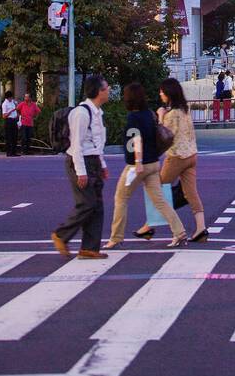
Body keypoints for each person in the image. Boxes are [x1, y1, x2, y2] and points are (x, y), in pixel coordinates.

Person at [104, 82, 184, 248]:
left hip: (137, 165)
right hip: (154, 163)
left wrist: (138, 162)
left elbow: (136, 139)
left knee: (121, 198)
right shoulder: (148, 114)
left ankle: (116, 237)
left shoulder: (133, 118)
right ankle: (179, 232)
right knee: (160, 201)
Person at [51, 74, 110, 260]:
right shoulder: (81, 113)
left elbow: (97, 142)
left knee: (97, 206)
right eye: (106, 88)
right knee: (87, 203)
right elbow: (76, 145)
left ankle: (89, 248)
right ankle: (61, 235)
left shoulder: (98, 113)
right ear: (98, 91)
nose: (108, 91)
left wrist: (102, 164)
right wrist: (81, 172)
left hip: (93, 161)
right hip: (80, 162)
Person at [159, 78, 207, 244]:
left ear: (169, 93)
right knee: (191, 193)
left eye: (162, 91)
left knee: (157, 191)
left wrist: (160, 116)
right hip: (192, 155)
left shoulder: (171, 114)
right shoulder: (185, 110)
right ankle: (201, 229)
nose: (160, 94)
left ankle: (174, 230)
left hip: (176, 157)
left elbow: (163, 136)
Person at [1, 90, 20, 157]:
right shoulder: (4, 104)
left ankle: (14, 152)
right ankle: (9, 152)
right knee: (9, 137)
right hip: (8, 120)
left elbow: (17, 109)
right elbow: (4, 116)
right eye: (10, 97)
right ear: (8, 97)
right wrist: (11, 111)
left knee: (15, 136)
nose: (11, 98)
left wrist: (17, 115)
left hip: (14, 120)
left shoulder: (13, 102)